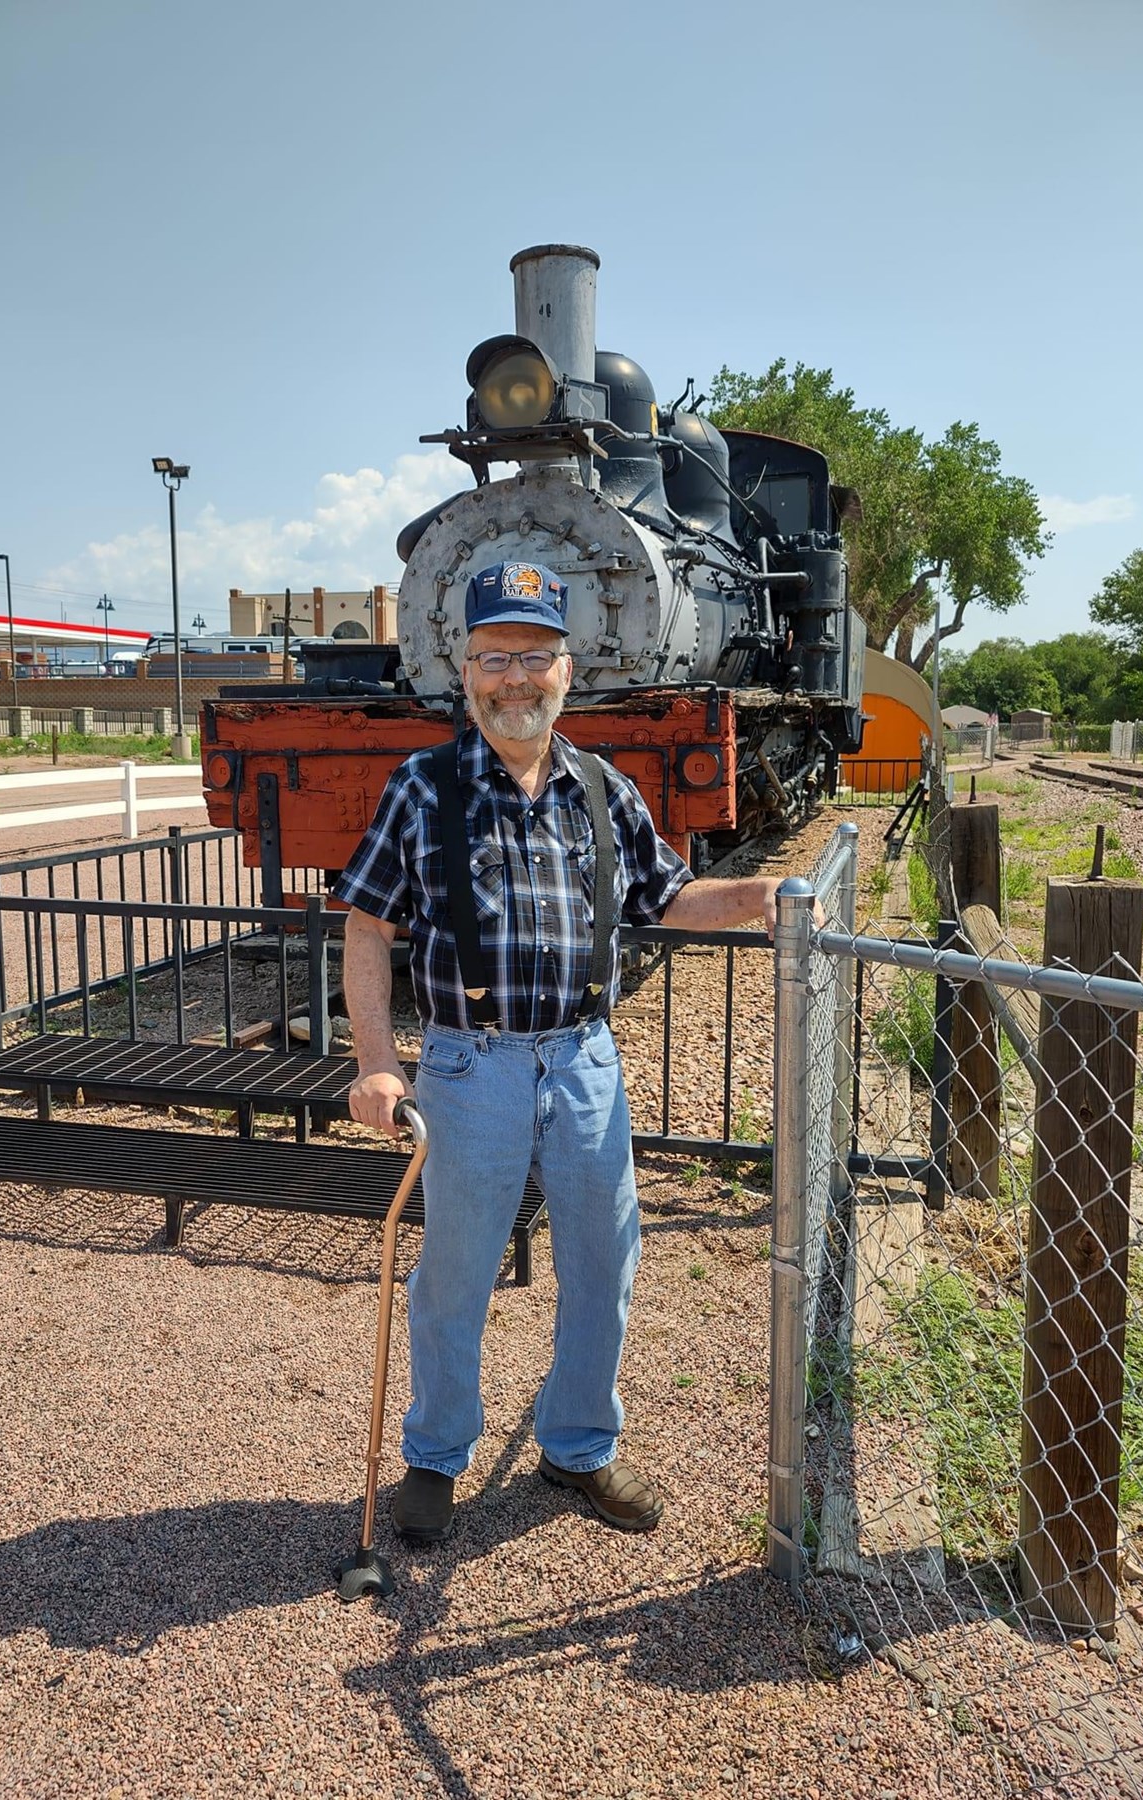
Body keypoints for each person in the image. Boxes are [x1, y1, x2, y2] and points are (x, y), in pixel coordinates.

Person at [333, 560, 801, 1544]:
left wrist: (759, 899)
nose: (516, 677)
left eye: (534, 657)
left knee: (604, 1262)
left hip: (584, 1060)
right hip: (471, 1065)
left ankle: (578, 1448)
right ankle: (434, 1458)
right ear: (465, 670)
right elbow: (368, 926)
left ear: (566, 668)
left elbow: (668, 900)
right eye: (496, 656)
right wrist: (377, 1060)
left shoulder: (602, 787)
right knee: (456, 1272)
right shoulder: (422, 789)